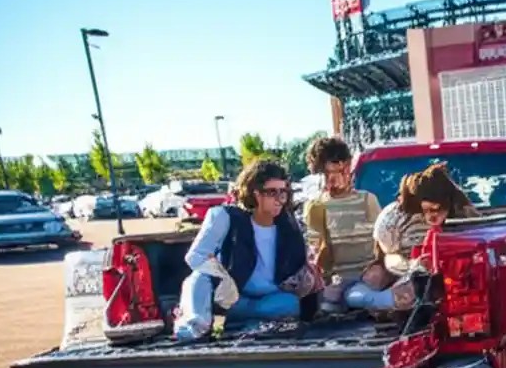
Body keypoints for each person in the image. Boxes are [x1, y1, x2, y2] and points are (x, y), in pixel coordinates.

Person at [174, 160, 313, 340]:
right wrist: (222, 278)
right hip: (232, 298)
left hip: (271, 300)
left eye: (283, 192)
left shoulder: (290, 225)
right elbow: (195, 256)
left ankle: (250, 326)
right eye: (272, 192)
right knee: (197, 279)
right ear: (255, 193)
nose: (279, 199)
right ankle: (192, 331)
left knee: (290, 303)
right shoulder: (226, 217)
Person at [342, 163, 478, 312]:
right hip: (403, 270)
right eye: (426, 210)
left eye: (437, 209)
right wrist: (412, 266)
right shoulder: (395, 217)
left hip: (450, 279)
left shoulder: (465, 217)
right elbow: (389, 258)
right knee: (375, 281)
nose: (432, 215)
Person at [302, 136, 382, 286]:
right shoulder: (316, 205)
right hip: (336, 283)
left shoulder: (367, 200)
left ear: (348, 167)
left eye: (338, 171)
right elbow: (318, 257)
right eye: (325, 174)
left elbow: (383, 244)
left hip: (369, 278)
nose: (332, 179)